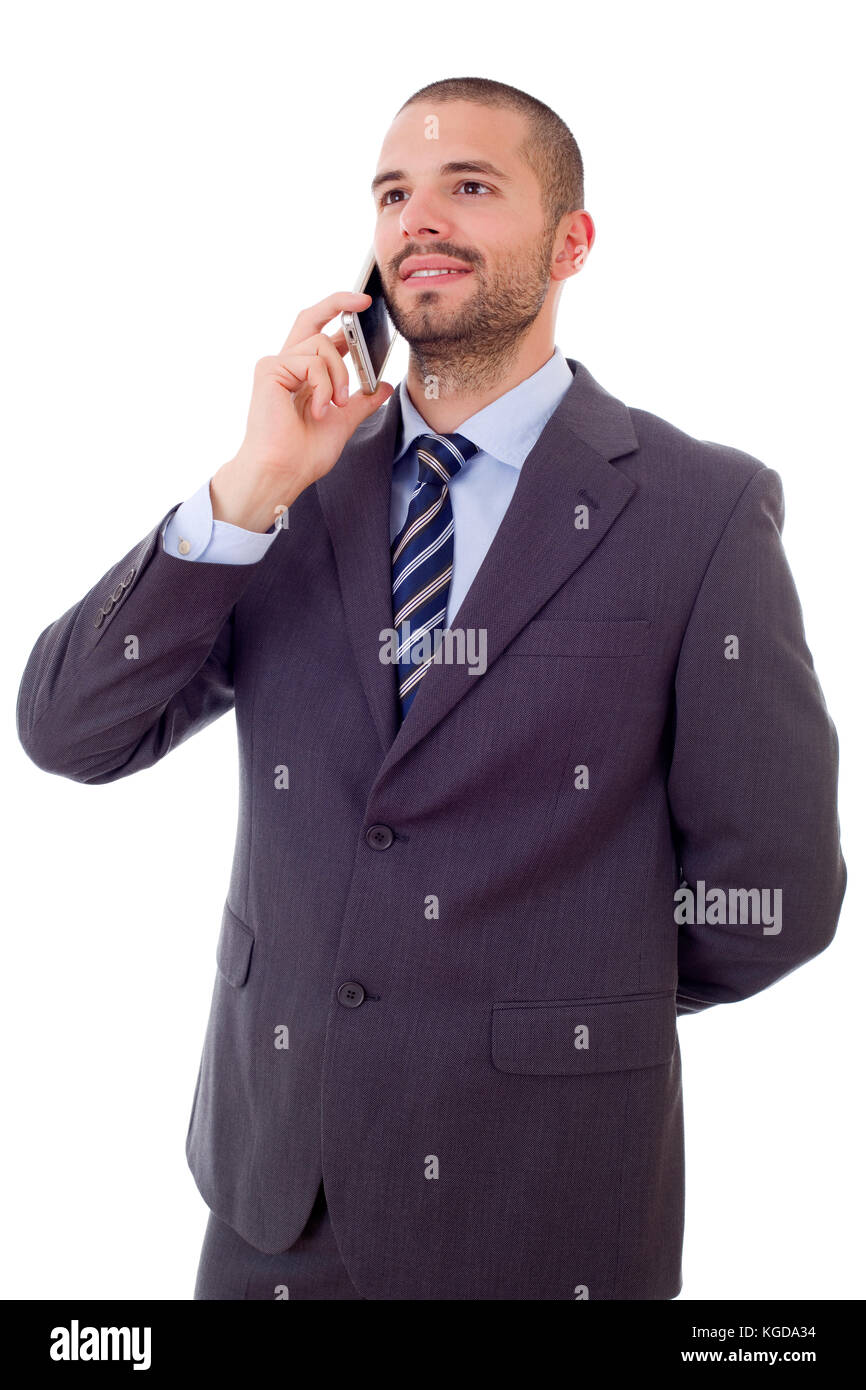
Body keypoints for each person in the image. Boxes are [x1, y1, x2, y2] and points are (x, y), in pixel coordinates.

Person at [16, 76, 846, 1301]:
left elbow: (772, 888)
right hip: (273, 1207)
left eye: (470, 185)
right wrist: (248, 487)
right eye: (394, 193)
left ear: (571, 241)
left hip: (542, 1208)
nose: (420, 218)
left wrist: (554, 995)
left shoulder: (699, 510)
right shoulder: (293, 492)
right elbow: (69, 729)